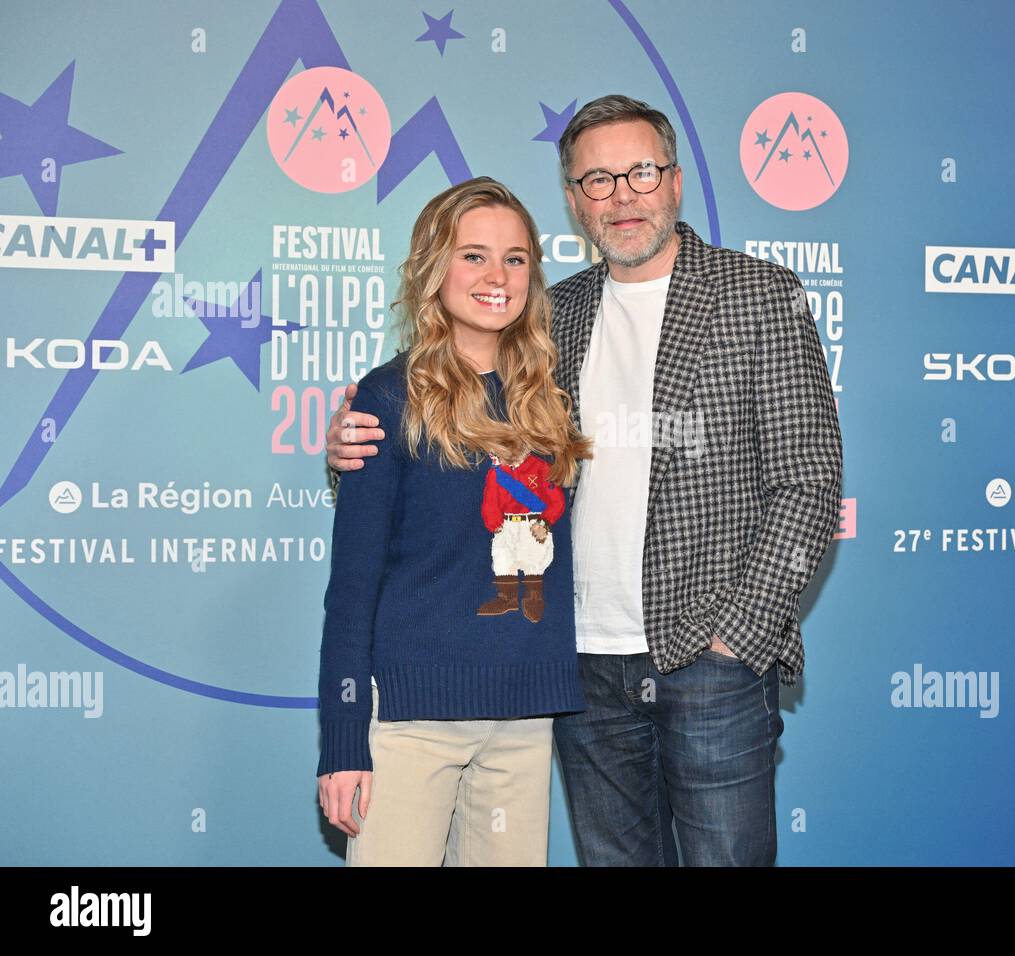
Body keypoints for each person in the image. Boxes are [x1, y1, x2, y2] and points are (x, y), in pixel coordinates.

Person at [326, 95, 843, 866]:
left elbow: (809, 480)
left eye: (640, 172)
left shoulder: (759, 295)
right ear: (573, 200)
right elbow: (457, 438)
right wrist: (352, 445)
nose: (622, 196)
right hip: (576, 671)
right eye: (596, 180)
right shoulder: (550, 317)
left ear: (673, 181)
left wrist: (737, 632)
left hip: (708, 661)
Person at [316, 176, 591, 866]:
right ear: (434, 267)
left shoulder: (552, 399)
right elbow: (352, 589)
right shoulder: (387, 396)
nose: (497, 276)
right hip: (412, 723)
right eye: (473, 255)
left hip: (525, 721)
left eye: (516, 257)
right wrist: (344, 741)